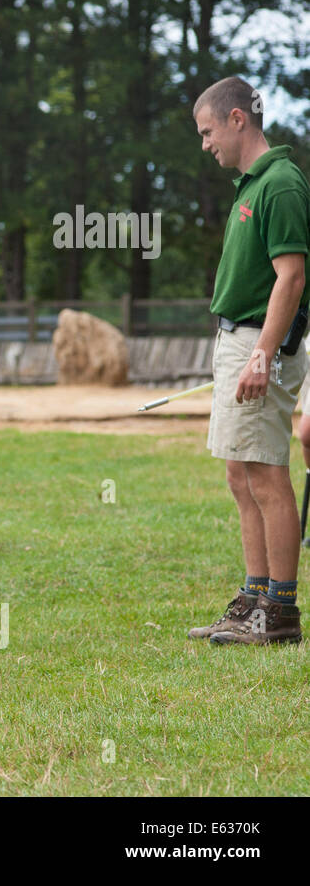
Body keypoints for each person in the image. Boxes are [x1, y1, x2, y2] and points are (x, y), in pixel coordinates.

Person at [187, 76, 310, 645]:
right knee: (241, 472)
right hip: (237, 341)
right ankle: (254, 600)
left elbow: (293, 276)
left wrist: (262, 354)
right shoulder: (249, 186)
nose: (205, 143)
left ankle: (278, 613)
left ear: (238, 120)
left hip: (260, 347)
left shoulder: (280, 183)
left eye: (208, 131)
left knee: (265, 474)